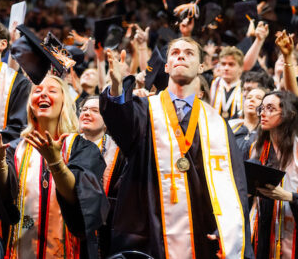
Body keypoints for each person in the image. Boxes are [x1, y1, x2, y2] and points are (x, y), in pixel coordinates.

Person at [100, 38, 251, 258]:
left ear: (201, 67)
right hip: (150, 227)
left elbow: (235, 183)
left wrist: (226, 228)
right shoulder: (144, 110)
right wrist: (116, 85)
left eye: (189, 53)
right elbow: (120, 123)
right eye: (175, 52)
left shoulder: (216, 123)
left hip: (200, 232)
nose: (181, 55)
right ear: (167, 66)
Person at [0, 75, 108, 258]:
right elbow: (5, 198)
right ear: (31, 106)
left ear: (64, 101)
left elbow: (81, 198)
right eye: (37, 91)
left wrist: (56, 163)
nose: (43, 95)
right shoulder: (16, 148)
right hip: (23, 244)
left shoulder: (81, 147)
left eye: (52, 91)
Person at [247, 91, 298, 258]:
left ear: (288, 114)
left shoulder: (296, 149)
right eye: (262, 108)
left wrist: (290, 196)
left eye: (270, 108)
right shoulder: (257, 146)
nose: (262, 113)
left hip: (291, 226)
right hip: (262, 224)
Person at [79, 95, 123, 256]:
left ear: (106, 121)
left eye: (95, 110)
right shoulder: (65, 145)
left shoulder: (119, 153)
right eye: (84, 110)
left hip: (104, 231)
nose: (87, 113)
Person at [209, 46, 245, 119]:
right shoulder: (211, 84)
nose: (226, 68)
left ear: (240, 68)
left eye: (231, 64)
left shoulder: (245, 88)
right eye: (223, 64)